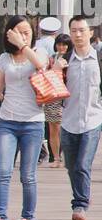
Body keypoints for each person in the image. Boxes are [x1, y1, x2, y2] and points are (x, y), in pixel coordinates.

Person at [0, 15, 49, 220]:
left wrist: (23, 44)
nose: (23, 36)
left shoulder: (38, 53)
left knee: (28, 176)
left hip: (33, 123)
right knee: (3, 172)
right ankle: (0, 219)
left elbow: (42, 66)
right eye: (18, 32)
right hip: (7, 122)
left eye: (27, 33)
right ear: (8, 34)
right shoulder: (4, 58)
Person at [60, 15, 102, 220]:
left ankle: (80, 204)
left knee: (83, 164)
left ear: (90, 33)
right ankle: (82, 195)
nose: (78, 34)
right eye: (74, 30)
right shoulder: (63, 61)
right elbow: (52, 88)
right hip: (68, 120)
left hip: (93, 120)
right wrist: (55, 71)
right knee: (71, 166)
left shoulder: (99, 60)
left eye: (82, 30)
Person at [44, 34, 72, 169]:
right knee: (52, 128)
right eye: (59, 44)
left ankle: (67, 157)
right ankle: (56, 158)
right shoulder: (51, 59)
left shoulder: (72, 59)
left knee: (63, 128)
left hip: (67, 98)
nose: (61, 47)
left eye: (64, 44)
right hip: (52, 96)